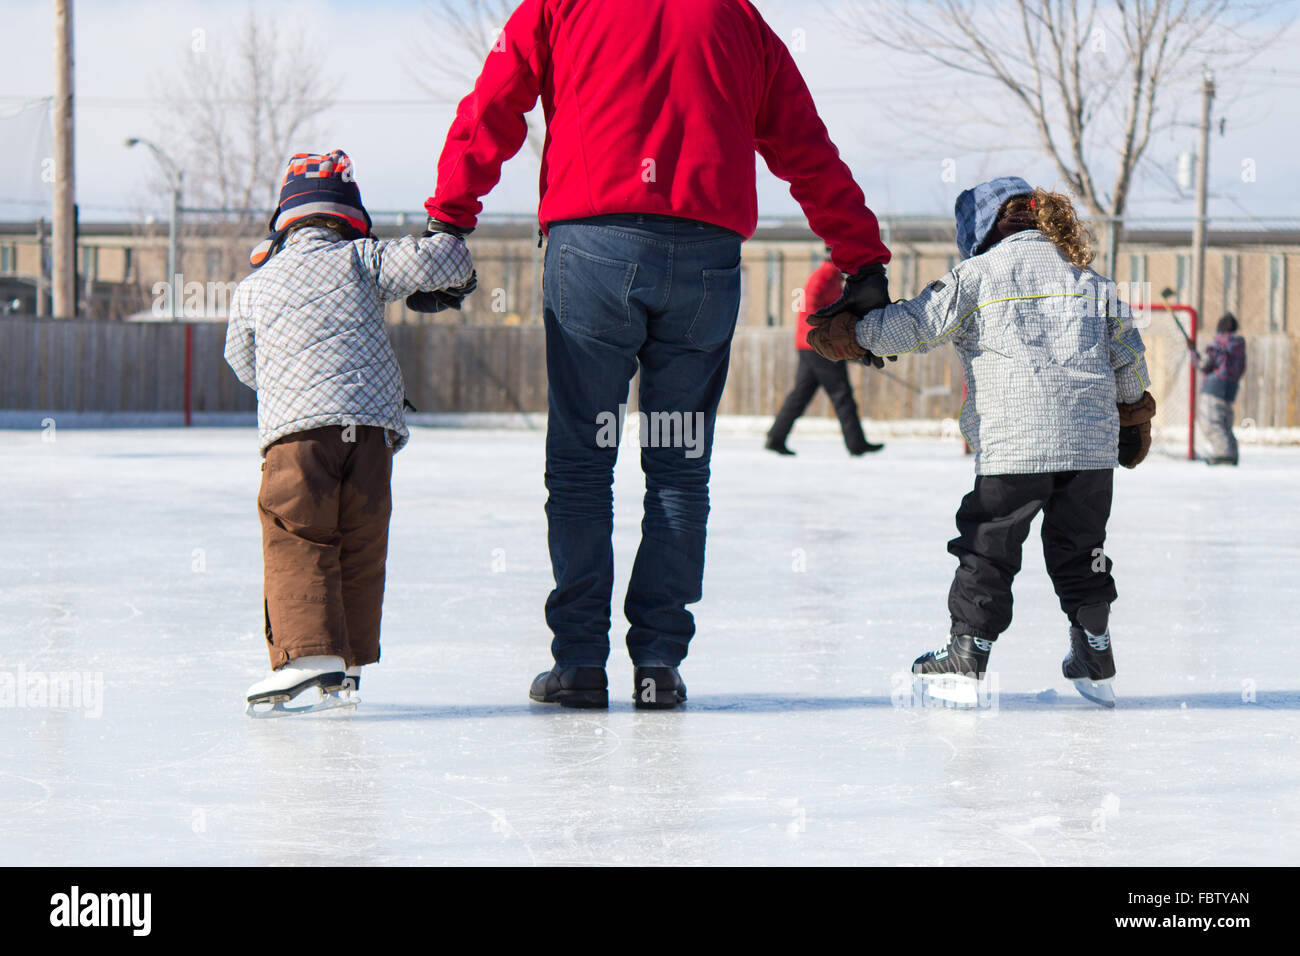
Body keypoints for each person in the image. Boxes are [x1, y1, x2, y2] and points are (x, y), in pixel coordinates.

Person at [425, 0, 891, 709]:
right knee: (679, 464)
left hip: (593, 250)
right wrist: (862, 257)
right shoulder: (738, 19)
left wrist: (451, 219)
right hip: (703, 262)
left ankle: (580, 662)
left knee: (582, 461)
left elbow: (496, 102)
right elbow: (805, 147)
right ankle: (658, 665)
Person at [808, 177, 1154, 708]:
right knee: (1083, 551)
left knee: (988, 547)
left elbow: (916, 326)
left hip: (1016, 442)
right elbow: (1128, 356)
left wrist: (856, 334)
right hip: (1090, 448)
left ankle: (967, 653)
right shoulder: (1091, 281)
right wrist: (1132, 419)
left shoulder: (977, 276)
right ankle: (1095, 652)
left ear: (980, 228)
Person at [226, 149, 475, 716]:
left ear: (283, 218)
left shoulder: (255, 286)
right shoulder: (364, 259)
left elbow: (242, 361)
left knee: (298, 532)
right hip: (369, 435)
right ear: (350, 215)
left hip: (297, 436)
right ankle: (350, 661)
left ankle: (310, 657)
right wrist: (450, 254)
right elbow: (445, 259)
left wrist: (286, 379)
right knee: (361, 539)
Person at [766, 251, 883, 456]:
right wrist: (830, 334)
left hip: (810, 344)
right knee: (842, 394)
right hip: (818, 346)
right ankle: (856, 444)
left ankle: (776, 437)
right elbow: (810, 307)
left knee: (800, 395)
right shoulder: (824, 276)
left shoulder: (830, 276)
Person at [1199, 313, 1247, 466]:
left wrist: (1193, 352)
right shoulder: (1239, 347)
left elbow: (1204, 364)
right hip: (1230, 390)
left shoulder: (1218, 345)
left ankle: (1223, 455)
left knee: (1212, 423)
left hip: (1213, 388)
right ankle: (1231, 453)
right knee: (1225, 424)